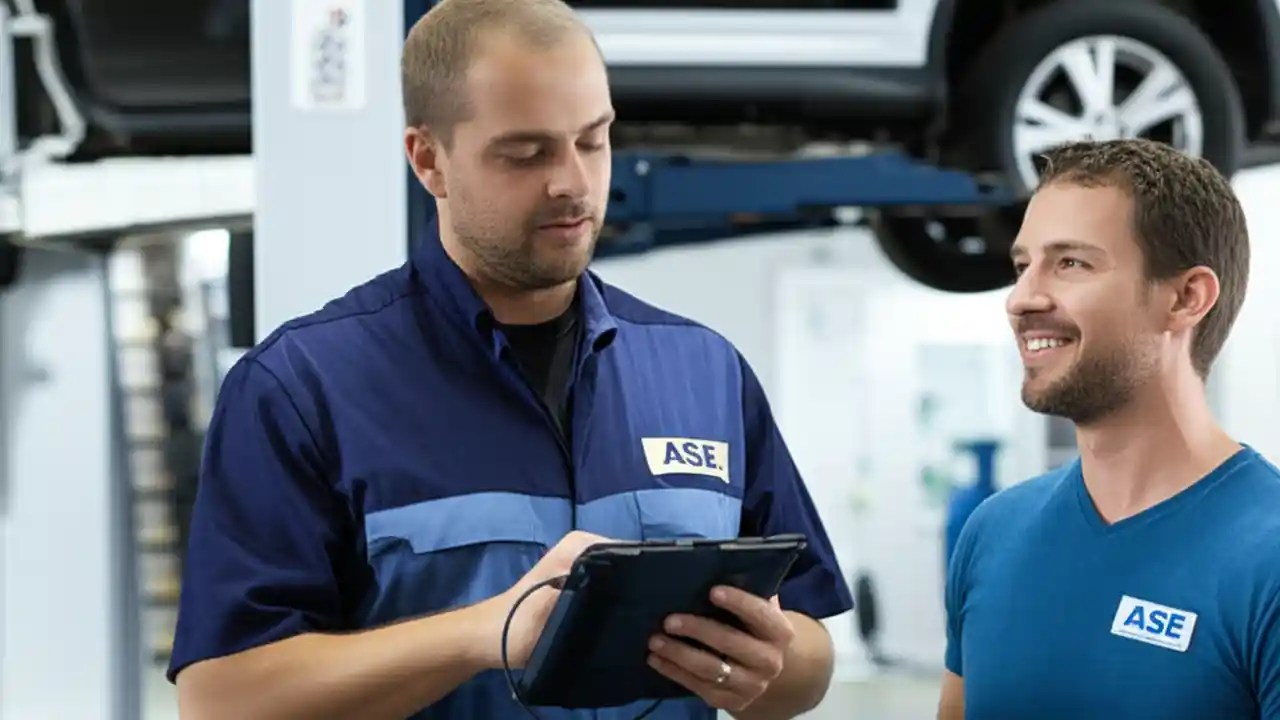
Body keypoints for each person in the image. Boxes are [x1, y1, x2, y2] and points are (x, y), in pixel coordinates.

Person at [167, 1, 853, 719]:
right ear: (428, 158)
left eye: (593, 142)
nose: (573, 183)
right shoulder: (303, 389)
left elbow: (808, 650)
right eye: (526, 154)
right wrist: (480, 633)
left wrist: (768, 668)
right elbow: (222, 702)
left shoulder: (704, 372)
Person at [938, 138, 1280, 719]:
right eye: (1023, 266)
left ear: (1185, 298)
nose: (1022, 298)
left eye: (1071, 262)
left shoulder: (1267, 556)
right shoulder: (992, 532)